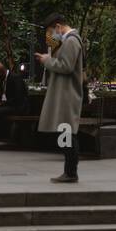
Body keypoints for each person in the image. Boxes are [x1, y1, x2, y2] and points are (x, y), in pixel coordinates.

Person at [35, 12, 84, 183]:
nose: (50, 36)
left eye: (50, 32)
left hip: (67, 95)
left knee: (67, 133)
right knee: (66, 133)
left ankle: (70, 172)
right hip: (65, 94)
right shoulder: (68, 40)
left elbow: (66, 66)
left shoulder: (71, 41)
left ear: (58, 26)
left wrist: (47, 60)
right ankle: (69, 171)